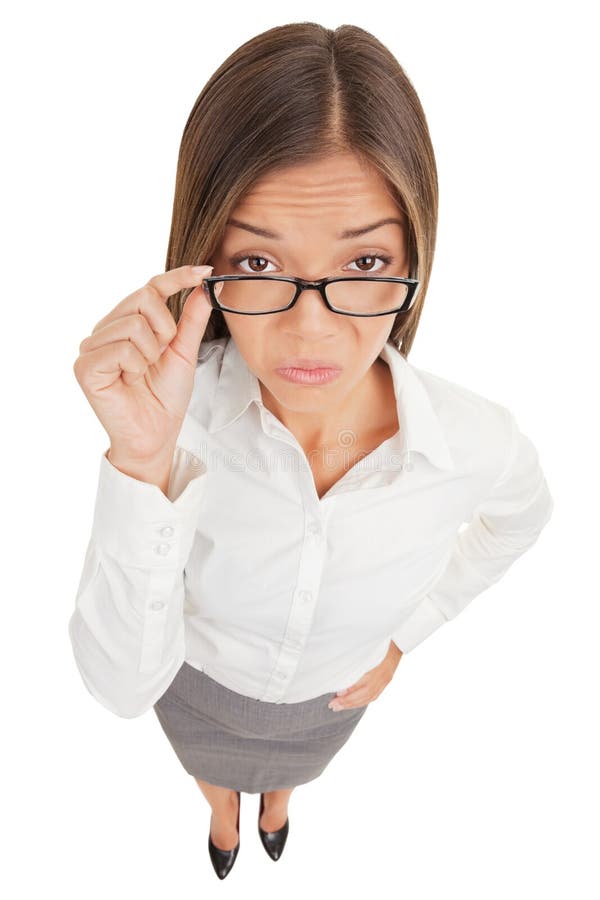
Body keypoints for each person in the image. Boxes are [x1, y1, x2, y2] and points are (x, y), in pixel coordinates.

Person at [68, 22, 554, 879]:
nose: (311, 330)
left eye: (364, 261)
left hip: (333, 698)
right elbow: (121, 688)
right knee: (209, 769)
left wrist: (408, 634)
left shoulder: (472, 440)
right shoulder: (174, 418)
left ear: (415, 254)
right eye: (258, 263)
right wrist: (140, 464)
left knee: (293, 772)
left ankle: (279, 804)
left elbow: (521, 518)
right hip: (194, 683)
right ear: (204, 260)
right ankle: (222, 809)